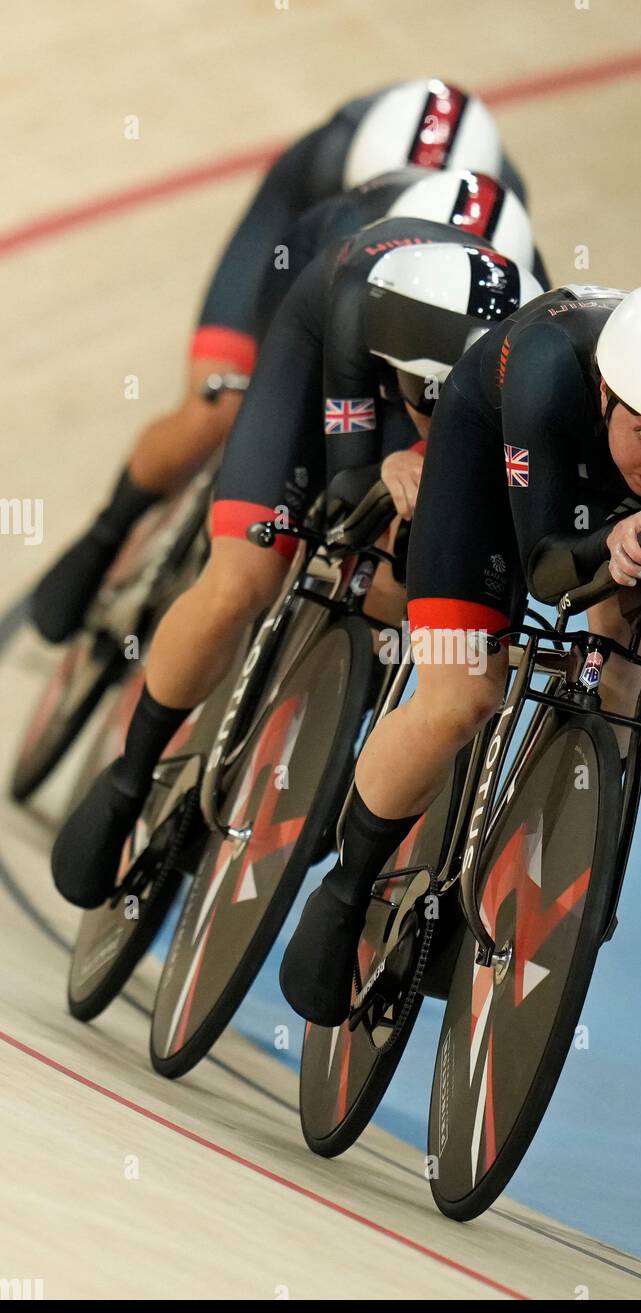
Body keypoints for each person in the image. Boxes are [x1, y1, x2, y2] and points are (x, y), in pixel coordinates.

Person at [278, 279, 641, 1027]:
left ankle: (578, 860)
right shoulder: (546, 368)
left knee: (625, 675)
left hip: (591, 502)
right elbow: (547, 567)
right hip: (492, 449)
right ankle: (346, 889)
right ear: (609, 391)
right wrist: (607, 549)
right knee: (465, 697)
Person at [50, 232, 543, 909]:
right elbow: (349, 480)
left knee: (409, 552)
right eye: (420, 392)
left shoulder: (526, 342)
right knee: (239, 585)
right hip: (323, 355)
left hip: (452, 393)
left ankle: (345, 709)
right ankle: (130, 778)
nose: (430, 408)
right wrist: (373, 472)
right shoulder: (358, 299)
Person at [31, 79, 530, 643]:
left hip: (413, 318)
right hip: (314, 264)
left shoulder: (508, 231)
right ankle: (108, 530)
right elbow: (290, 318)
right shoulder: (332, 171)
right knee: (216, 407)